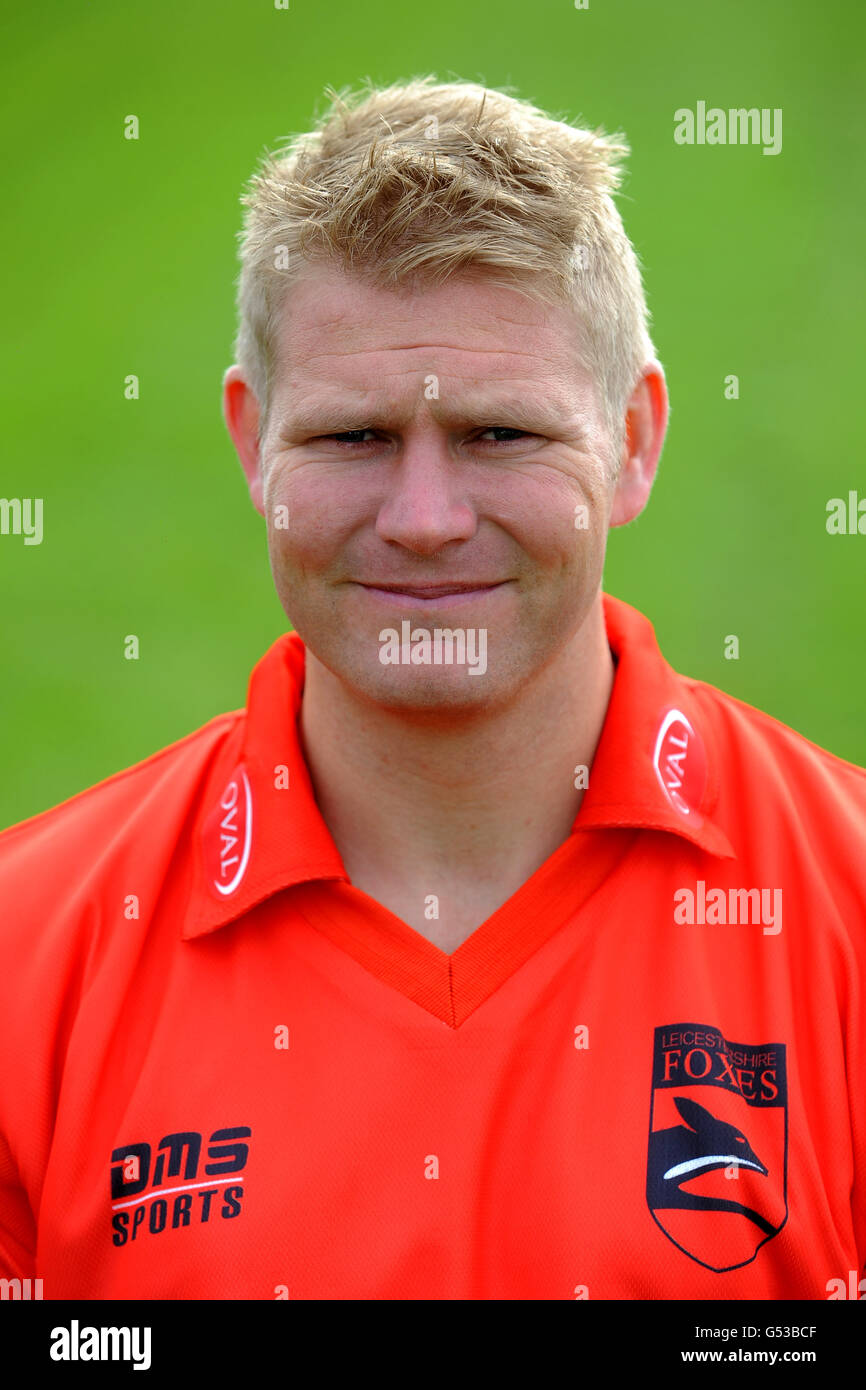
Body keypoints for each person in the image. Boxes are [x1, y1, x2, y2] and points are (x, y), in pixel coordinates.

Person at [0, 77, 863, 1302]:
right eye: (352, 439)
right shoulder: (26, 957)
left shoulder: (845, 910)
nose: (422, 521)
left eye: (498, 436)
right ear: (253, 446)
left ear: (633, 440)